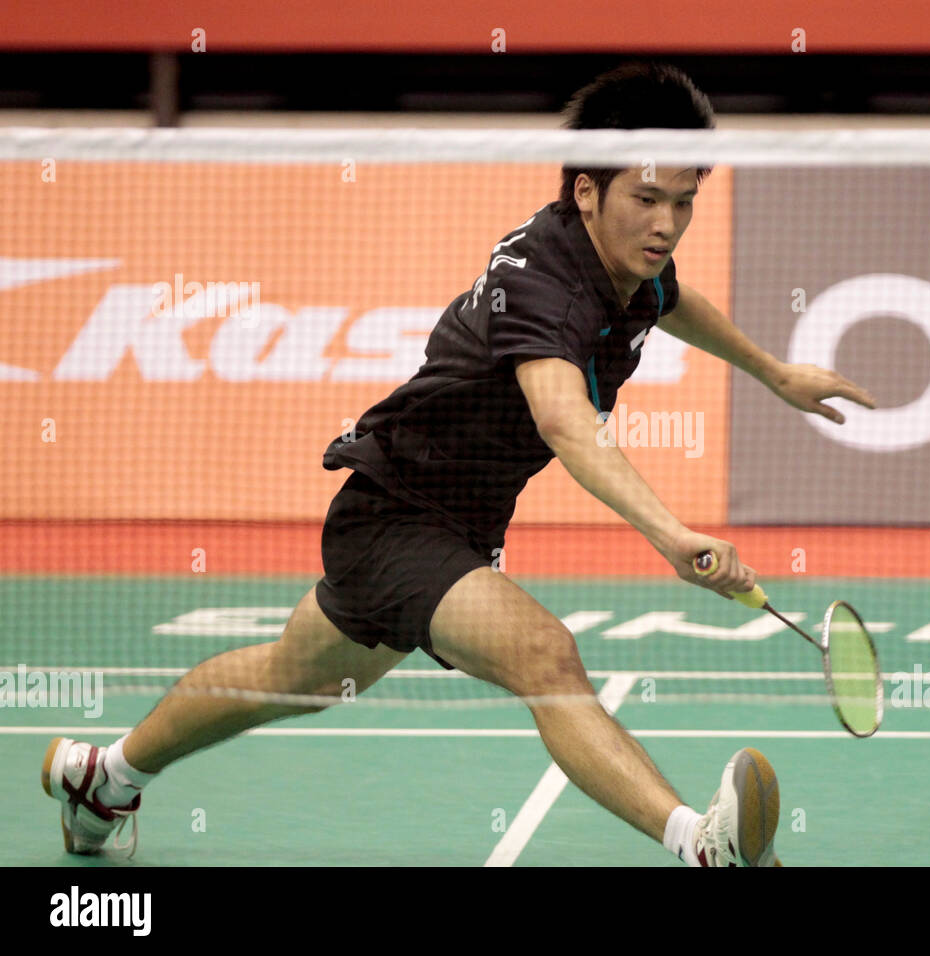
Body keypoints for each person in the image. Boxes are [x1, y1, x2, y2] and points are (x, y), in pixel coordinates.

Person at [41, 61, 875, 867]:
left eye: (686, 202)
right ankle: (703, 844)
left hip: (458, 522)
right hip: (395, 516)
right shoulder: (545, 281)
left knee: (291, 675)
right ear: (587, 190)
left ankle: (102, 776)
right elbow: (565, 422)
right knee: (545, 657)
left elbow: (672, 297)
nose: (666, 224)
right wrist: (668, 532)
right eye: (647, 199)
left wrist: (774, 371)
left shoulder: (630, 263)